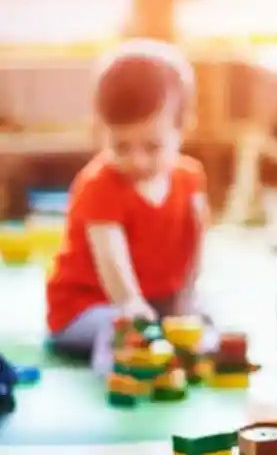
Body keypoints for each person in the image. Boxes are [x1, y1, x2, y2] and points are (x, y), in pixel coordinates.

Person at [46, 40, 211, 373]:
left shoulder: (190, 178)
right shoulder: (99, 185)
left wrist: (185, 299)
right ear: (100, 131)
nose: (136, 160)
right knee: (122, 328)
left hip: (157, 303)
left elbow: (195, 242)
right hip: (85, 308)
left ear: (183, 128)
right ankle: (124, 374)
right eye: (121, 146)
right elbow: (111, 257)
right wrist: (129, 303)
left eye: (152, 147)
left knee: (205, 317)